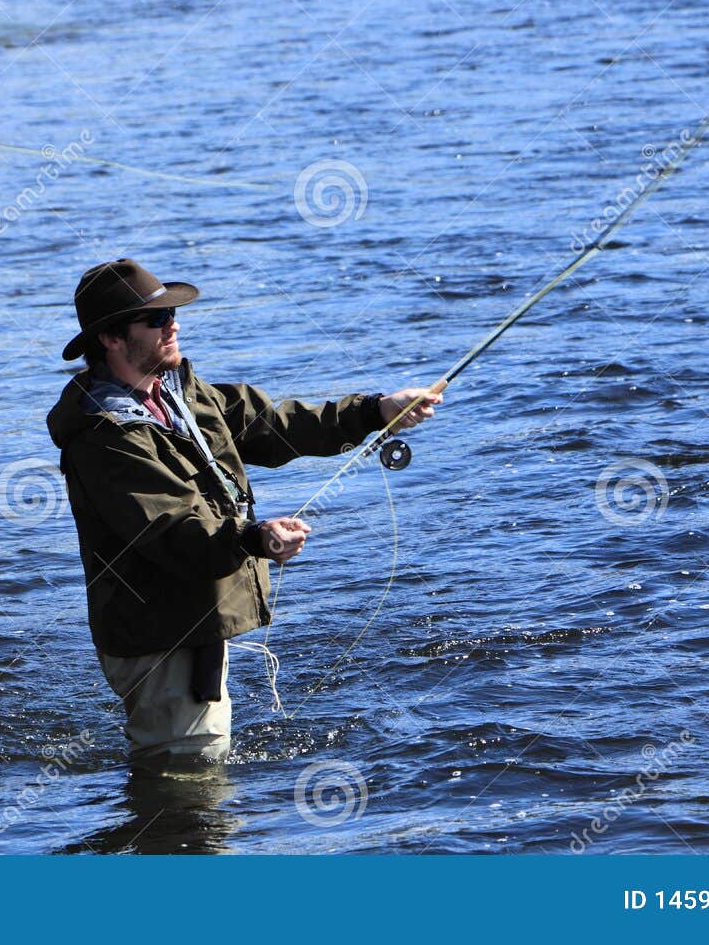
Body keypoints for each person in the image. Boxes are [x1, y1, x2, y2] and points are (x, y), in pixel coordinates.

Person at [45, 258, 440, 762]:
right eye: (157, 319)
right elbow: (173, 531)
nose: (174, 325)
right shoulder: (104, 440)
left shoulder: (178, 393)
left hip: (194, 619)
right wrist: (254, 539)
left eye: (173, 314)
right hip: (160, 639)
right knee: (187, 787)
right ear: (112, 339)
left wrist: (375, 410)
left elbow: (274, 426)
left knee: (193, 785)